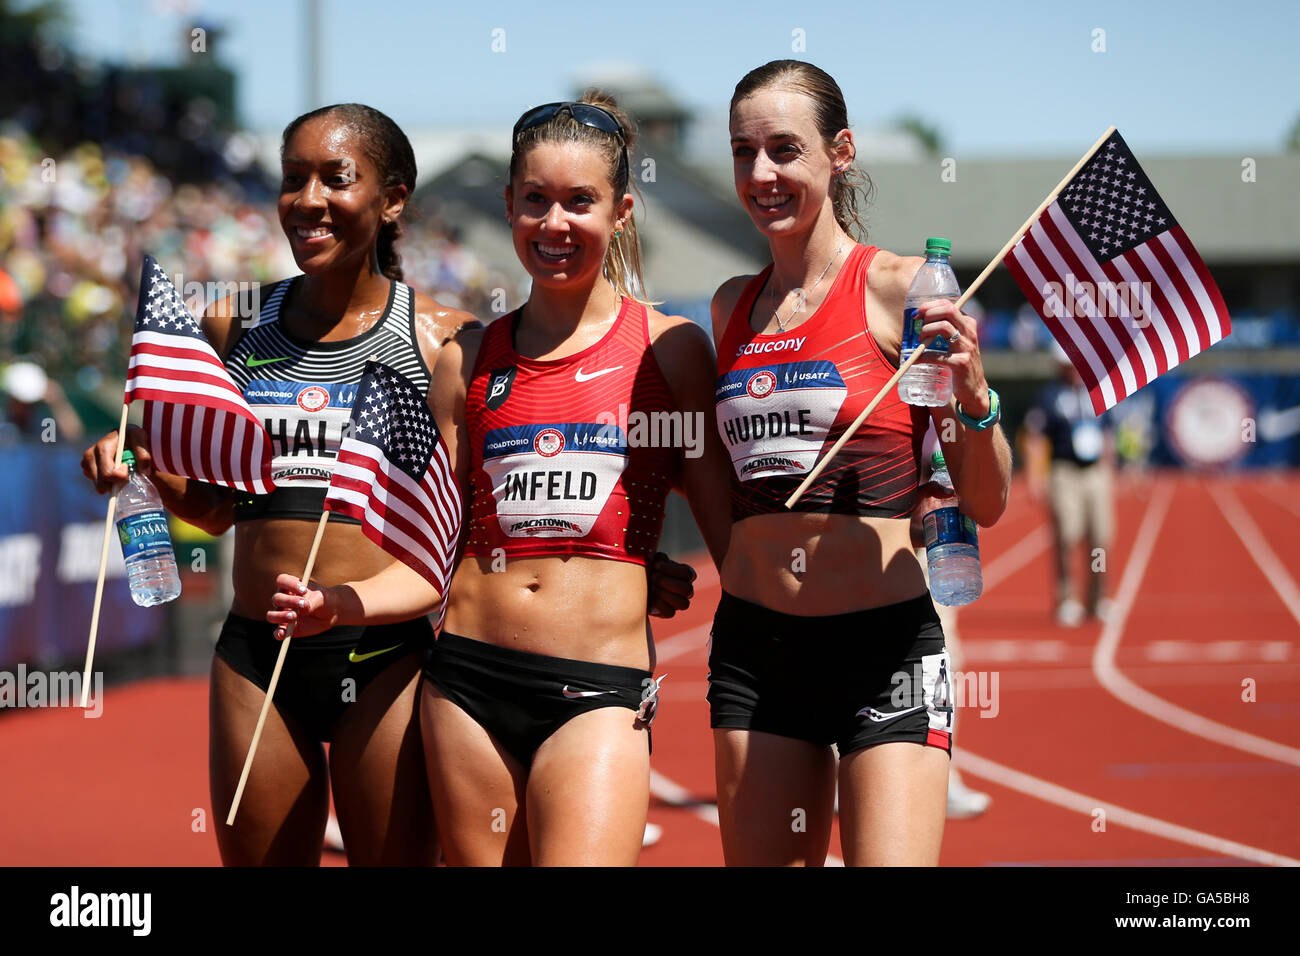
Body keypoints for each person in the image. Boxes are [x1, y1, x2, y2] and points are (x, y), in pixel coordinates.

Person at [269, 92, 732, 866]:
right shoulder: (467, 359)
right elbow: (431, 555)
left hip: (597, 690)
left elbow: (732, 530)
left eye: (579, 202)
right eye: (536, 201)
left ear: (621, 211)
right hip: (466, 689)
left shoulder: (672, 352)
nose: (555, 223)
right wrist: (338, 601)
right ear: (508, 205)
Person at [82, 103, 478, 866]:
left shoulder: (443, 338)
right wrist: (138, 465)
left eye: (337, 177)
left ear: (393, 198)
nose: (308, 199)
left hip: (382, 652)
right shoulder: (234, 322)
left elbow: (469, 513)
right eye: (293, 179)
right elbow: (220, 509)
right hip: (256, 656)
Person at [708, 60, 1012, 866]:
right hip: (755, 653)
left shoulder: (904, 289)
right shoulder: (730, 305)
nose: (762, 174)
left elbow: (986, 500)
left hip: (886, 652)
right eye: (745, 152)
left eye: (785, 149)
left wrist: (974, 393)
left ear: (840, 151)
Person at [1023, 341, 1116, 626]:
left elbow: (1108, 434)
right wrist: (1036, 476)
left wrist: (1109, 471)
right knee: (1067, 535)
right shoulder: (1049, 396)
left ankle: (1097, 599)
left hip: (1094, 472)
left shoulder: (1097, 393)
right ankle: (1066, 598)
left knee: (1101, 536)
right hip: (1064, 471)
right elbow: (1035, 437)